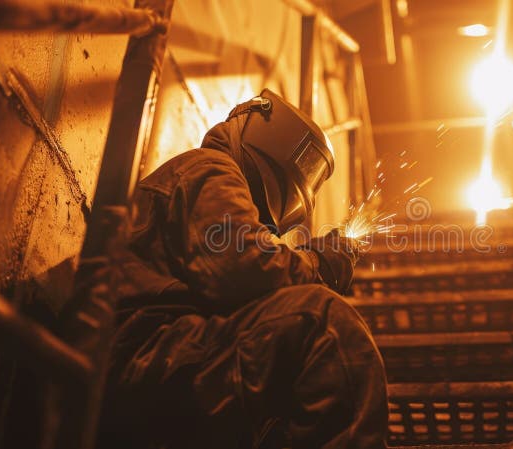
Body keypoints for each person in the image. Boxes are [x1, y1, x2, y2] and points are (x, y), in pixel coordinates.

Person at [97, 89, 388, 449]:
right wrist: (317, 263)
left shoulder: (213, 181)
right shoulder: (210, 166)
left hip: (157, 360)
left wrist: (315, 263)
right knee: (325, 323)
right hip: (145, 354)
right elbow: (242, 267)